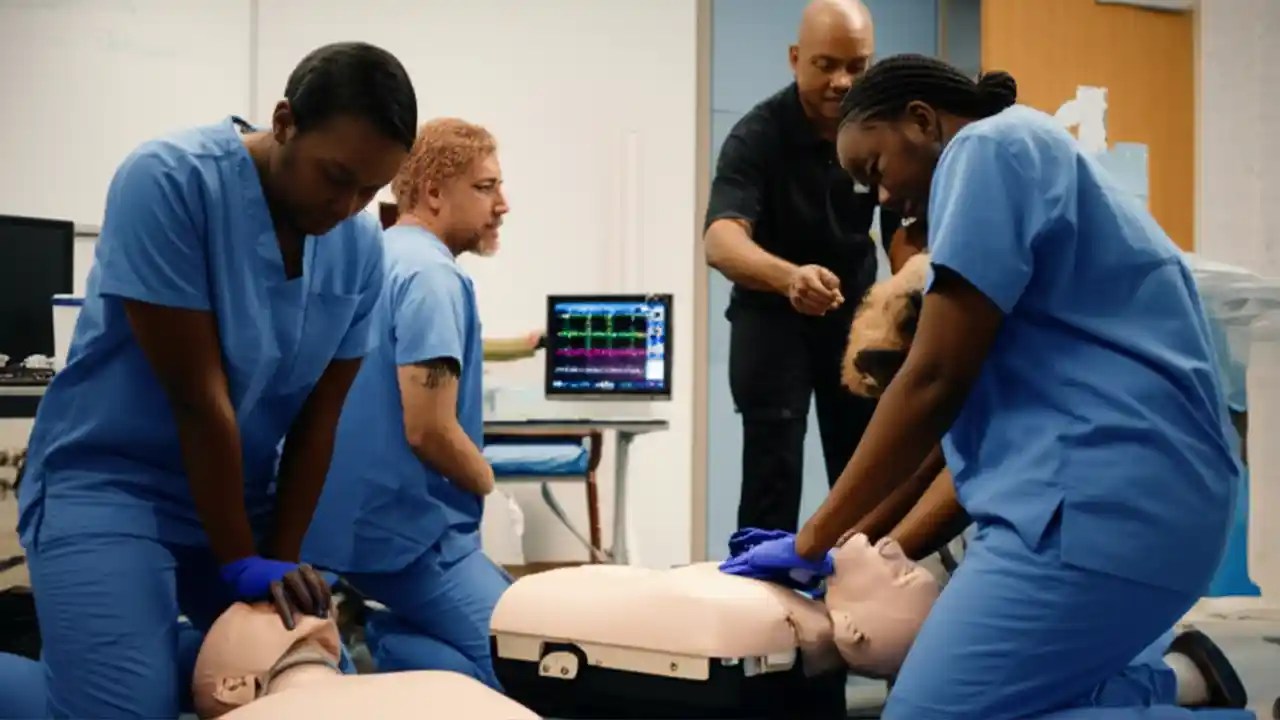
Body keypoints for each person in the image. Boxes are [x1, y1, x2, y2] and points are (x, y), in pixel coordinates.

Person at [722, 54, 1244, 718]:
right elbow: (946, 449)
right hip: (1156, 505)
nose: (881, 199)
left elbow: (933, 381)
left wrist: (811, 541)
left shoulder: (987, 149)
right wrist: (844, 545)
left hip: (1106, 507)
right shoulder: (1034, 166)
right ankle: (1177, 686)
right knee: (1029, 700)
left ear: (921, 120)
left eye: (875, 170)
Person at [16, 42, 416, 717]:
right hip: (109, 485)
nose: (347, 205)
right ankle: (104, 671)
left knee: (303, 684)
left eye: (370, 190)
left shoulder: (360, 246)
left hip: (238, 493)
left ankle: (134, 658)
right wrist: (239, 563)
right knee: (125, 711)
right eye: (336, 176)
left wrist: (278, 568)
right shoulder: (170, 182)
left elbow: (319, 421)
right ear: (284, 122)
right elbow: (199, 400)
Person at [303, 118, 512, 689]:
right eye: (486, 187)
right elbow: (429, 430)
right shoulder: (432, 277)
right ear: (434, 192)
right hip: (412, 540)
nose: (503, 205)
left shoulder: (376, 254)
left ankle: (382, 636)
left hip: (344, 531)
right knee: (529, 665)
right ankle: (386, 642)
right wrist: (485, 479)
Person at [703, 0, 900, 533]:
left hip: (853, 321)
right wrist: (790, 278)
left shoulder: (881, 131)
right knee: (773, 479)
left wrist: (905, 297)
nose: (842, 82)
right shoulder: (757, 135)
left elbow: (903, 229)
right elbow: (720, 241)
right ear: (795, 58)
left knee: (863, 479)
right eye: (825, 65)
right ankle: (762, 581)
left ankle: (862, 579)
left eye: (856, 66)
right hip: (771, 320)